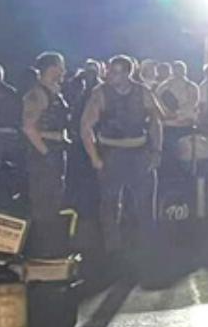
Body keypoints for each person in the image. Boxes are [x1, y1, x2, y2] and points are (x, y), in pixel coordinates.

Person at [81, 55, 164, 257]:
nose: (110, 75)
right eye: (110, 70)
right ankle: (113, 251)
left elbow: (156, 121)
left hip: (139, 152)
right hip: (111, 153)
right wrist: (94, 157)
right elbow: (85, 126)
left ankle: (146, 248)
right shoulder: (100, 93)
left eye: (116, 71)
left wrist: (157, 151)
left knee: (144, 204)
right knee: (109, 205)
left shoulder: (142, 92)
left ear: (127, 73)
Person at [18, 52, 72, 257]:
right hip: (43, 153)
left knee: (55, 200)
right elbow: (28, 127)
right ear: (52, 67)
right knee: (43, 203)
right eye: (61, 66)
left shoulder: (55, 91)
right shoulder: (37, 94)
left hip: (56, 151)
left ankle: (52, 247)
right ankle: (41, 249)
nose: (64, 70)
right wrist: (46, 152)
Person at [156, 60, 199, 162]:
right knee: (184, 154)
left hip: (175, 124)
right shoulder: (192, 87)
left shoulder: (163, 87)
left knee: (176, 154)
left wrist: (174, 114)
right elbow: (193, 105)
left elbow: (192, 103)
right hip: (180, 124)